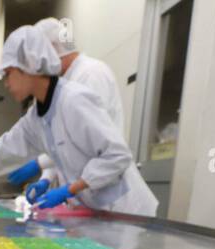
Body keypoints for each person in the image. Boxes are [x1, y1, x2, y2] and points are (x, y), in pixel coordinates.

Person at [0, 25, 157, 217]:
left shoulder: (74, 99)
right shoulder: (36, 116)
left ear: (29, 67)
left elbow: (117, 155)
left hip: (126, 210)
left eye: (8, 73)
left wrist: (69, 189)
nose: (6, 83)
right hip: (99, 209)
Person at [8, 17, 126, 202]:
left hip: (112, 196)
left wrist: (39, 163)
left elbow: (86, 145)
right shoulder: (64, 83)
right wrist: (46, 178)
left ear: (54, 49)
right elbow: (64, 145)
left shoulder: (91, 75)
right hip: (87, 197)